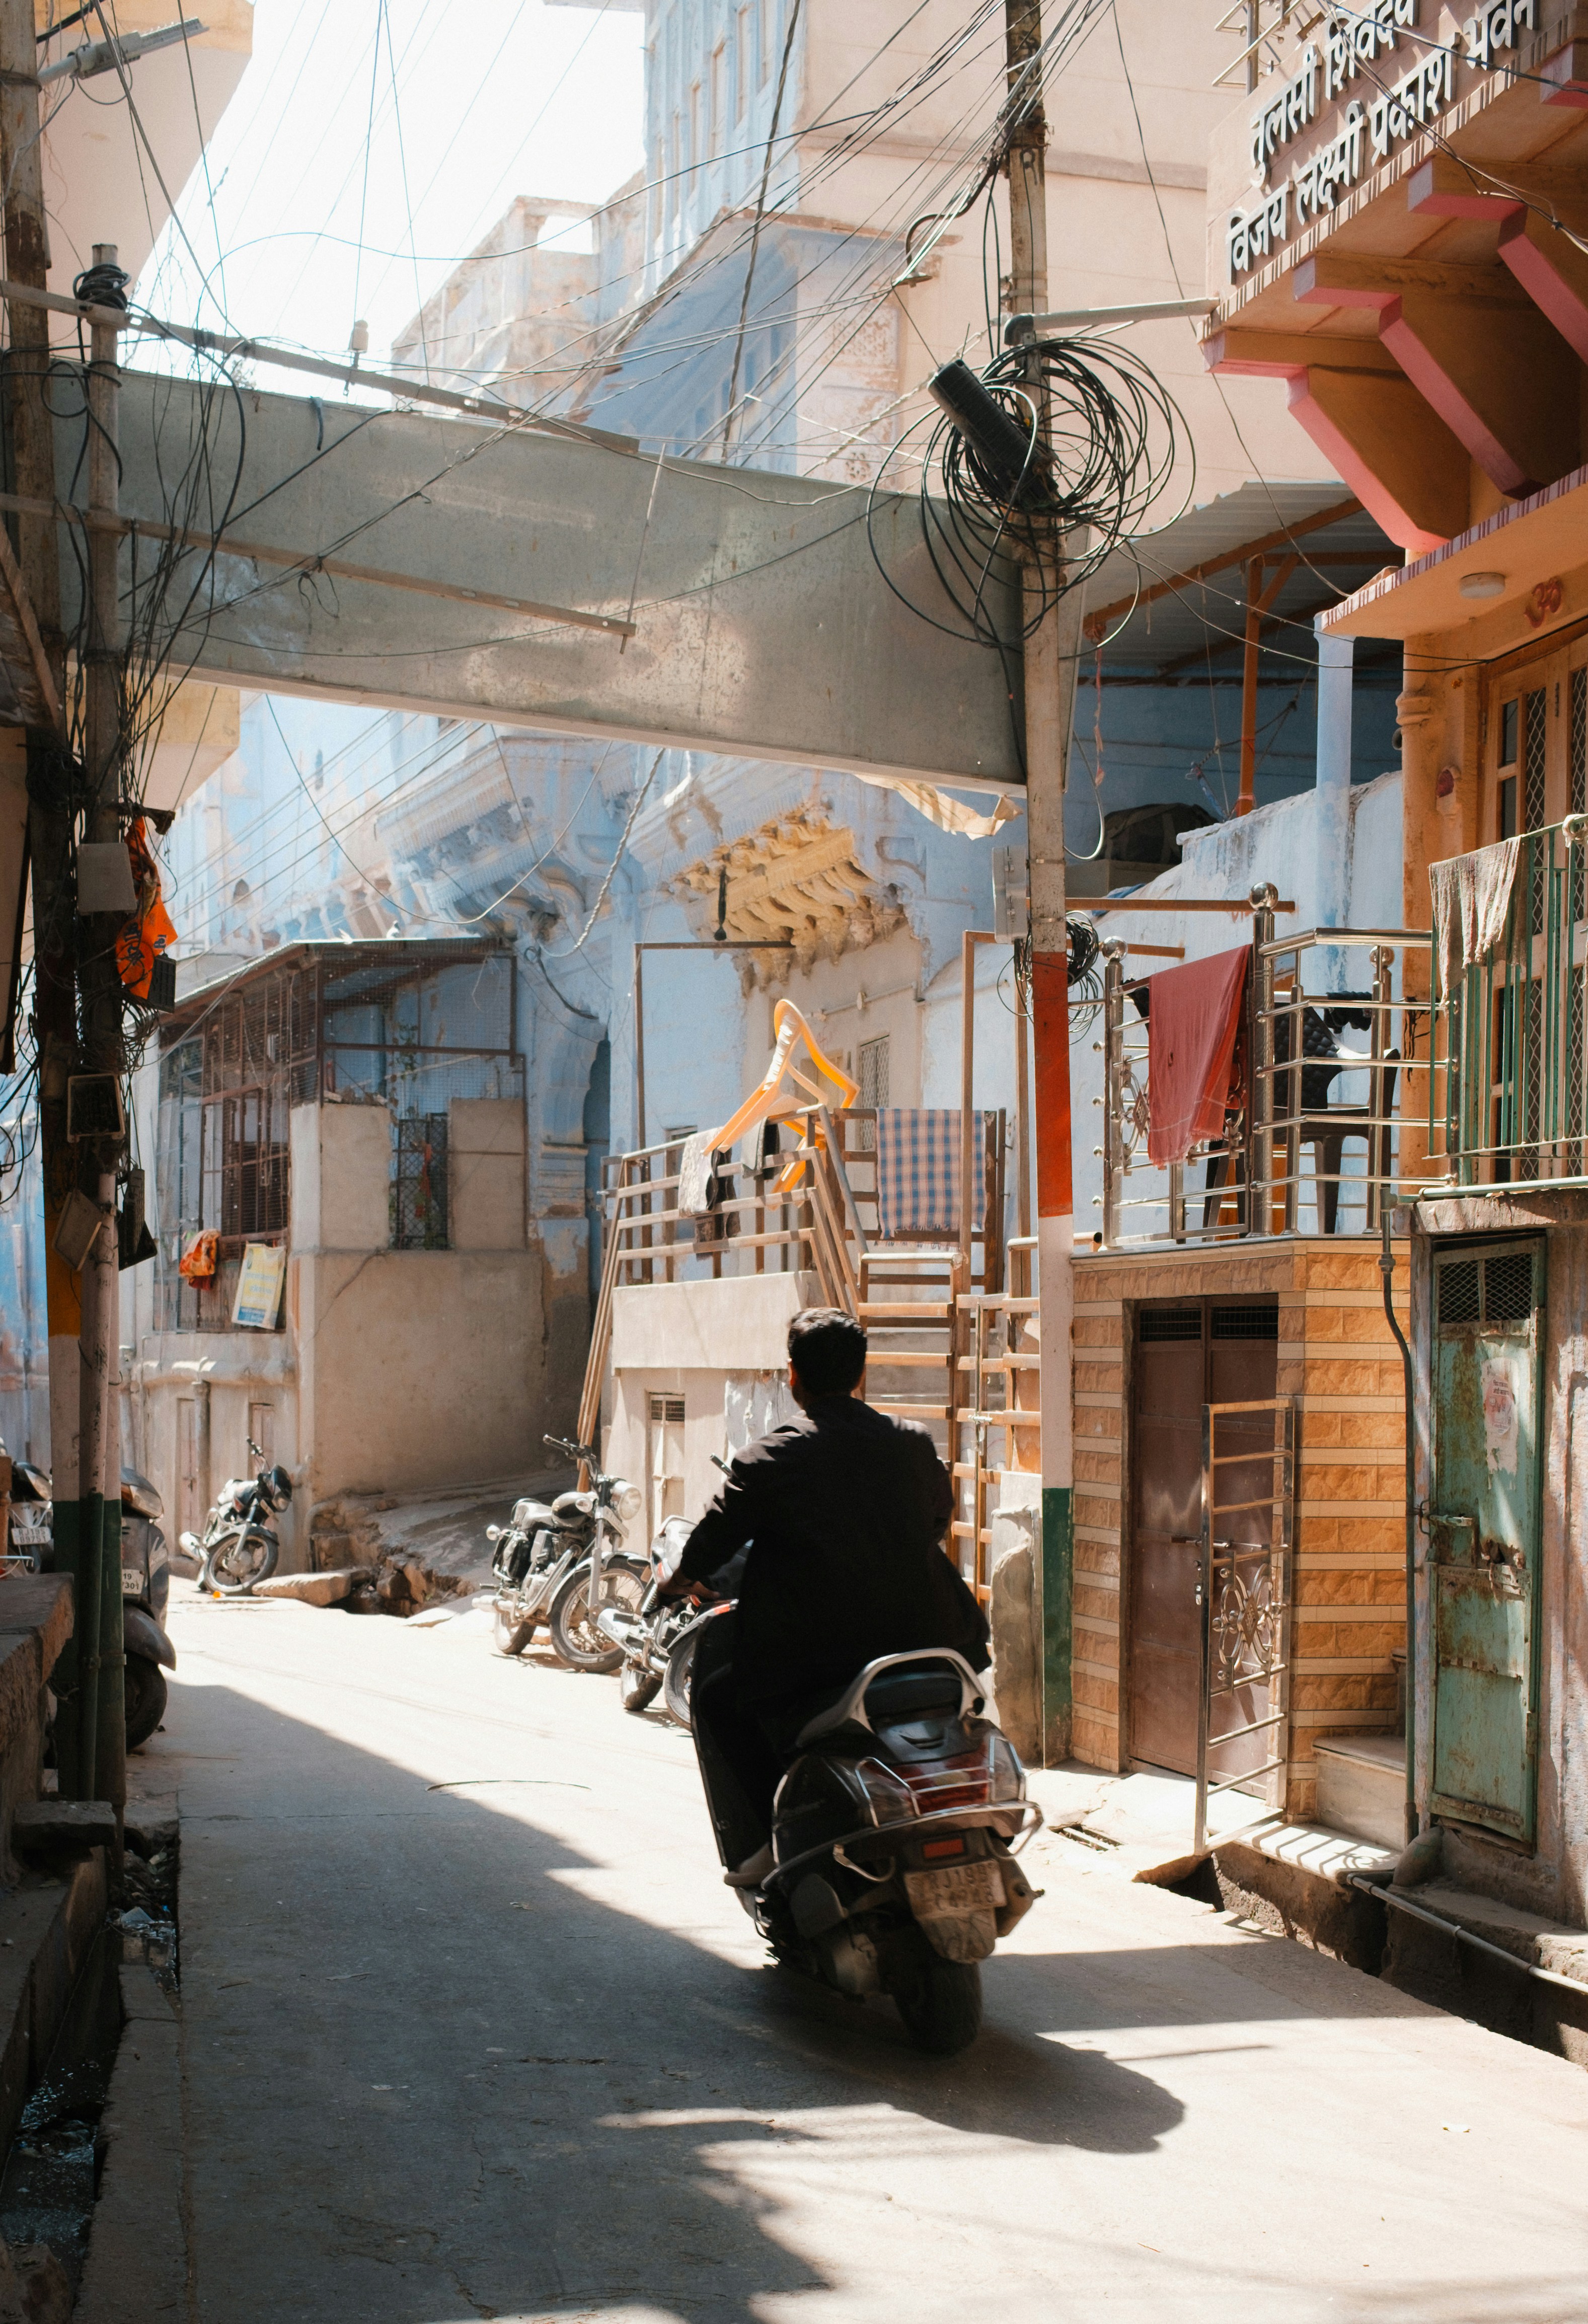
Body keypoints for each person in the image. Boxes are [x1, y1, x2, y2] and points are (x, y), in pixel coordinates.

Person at [662, 1305, 989, 1886]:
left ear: (793, 1374)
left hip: (817, 1656)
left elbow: (710, 1541)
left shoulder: (767, 1457)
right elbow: (938, 1516)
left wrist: (676, 1580)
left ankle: (762, 1845)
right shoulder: (911, 1443)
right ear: (859, 1375)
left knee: (716, 1697)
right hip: (935, 1638)